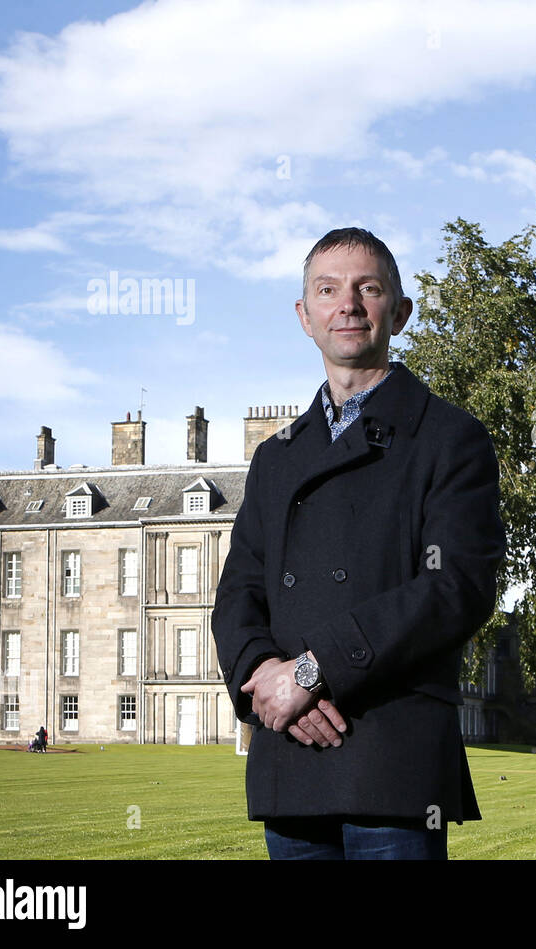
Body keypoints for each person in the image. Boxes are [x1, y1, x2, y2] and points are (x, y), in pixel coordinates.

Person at [212, 227, 506, 860]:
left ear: (398, 311)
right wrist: (264, 676)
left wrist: (314, 673)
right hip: (290, 751)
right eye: (327, 290)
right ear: (304, 316)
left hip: (390, 762)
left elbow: (456, 588)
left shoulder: (450, 438)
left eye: (367, 289)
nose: (347, 304)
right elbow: (239, 591)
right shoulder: (275, 458)